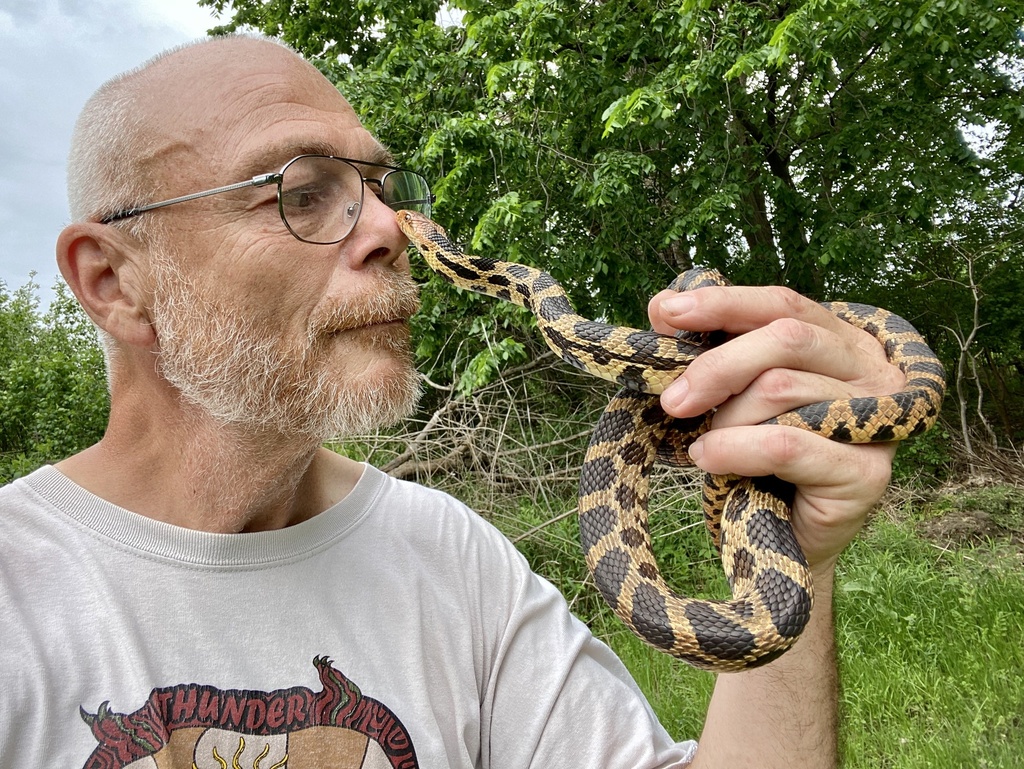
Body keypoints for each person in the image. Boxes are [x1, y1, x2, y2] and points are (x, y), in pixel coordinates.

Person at [0, 34, 903, 768]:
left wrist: (793, 545)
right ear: (114, 282)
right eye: (300, 190)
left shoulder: (454, 557)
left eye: (383, 191)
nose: (388, 230)